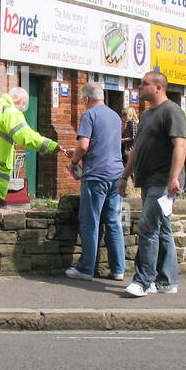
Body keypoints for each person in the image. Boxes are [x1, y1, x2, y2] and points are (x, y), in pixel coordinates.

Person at [118, 71, 186, 297]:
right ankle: (167, 281)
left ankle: (143, 281)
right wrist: (125, 176)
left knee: (147, 229)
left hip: (163, 181)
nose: (140, 87)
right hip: (148, 181)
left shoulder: (172, 111)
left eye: (145, 84)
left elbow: (180, 145)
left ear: (158, 87)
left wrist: (174, 178)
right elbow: (137, 150)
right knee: (163, 230)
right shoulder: (146, 115)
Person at [65, 82, 125, 282]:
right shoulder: (115, 116)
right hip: (116, 175)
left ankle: (85, 269)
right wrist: (79, 151)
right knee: (114, 223)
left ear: (87, 98)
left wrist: (74, 162)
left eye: (83, 99)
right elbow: (104, 143)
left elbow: (84, 145)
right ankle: (118, 269)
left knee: (90, 222)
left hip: (96, 176)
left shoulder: (89, 115)